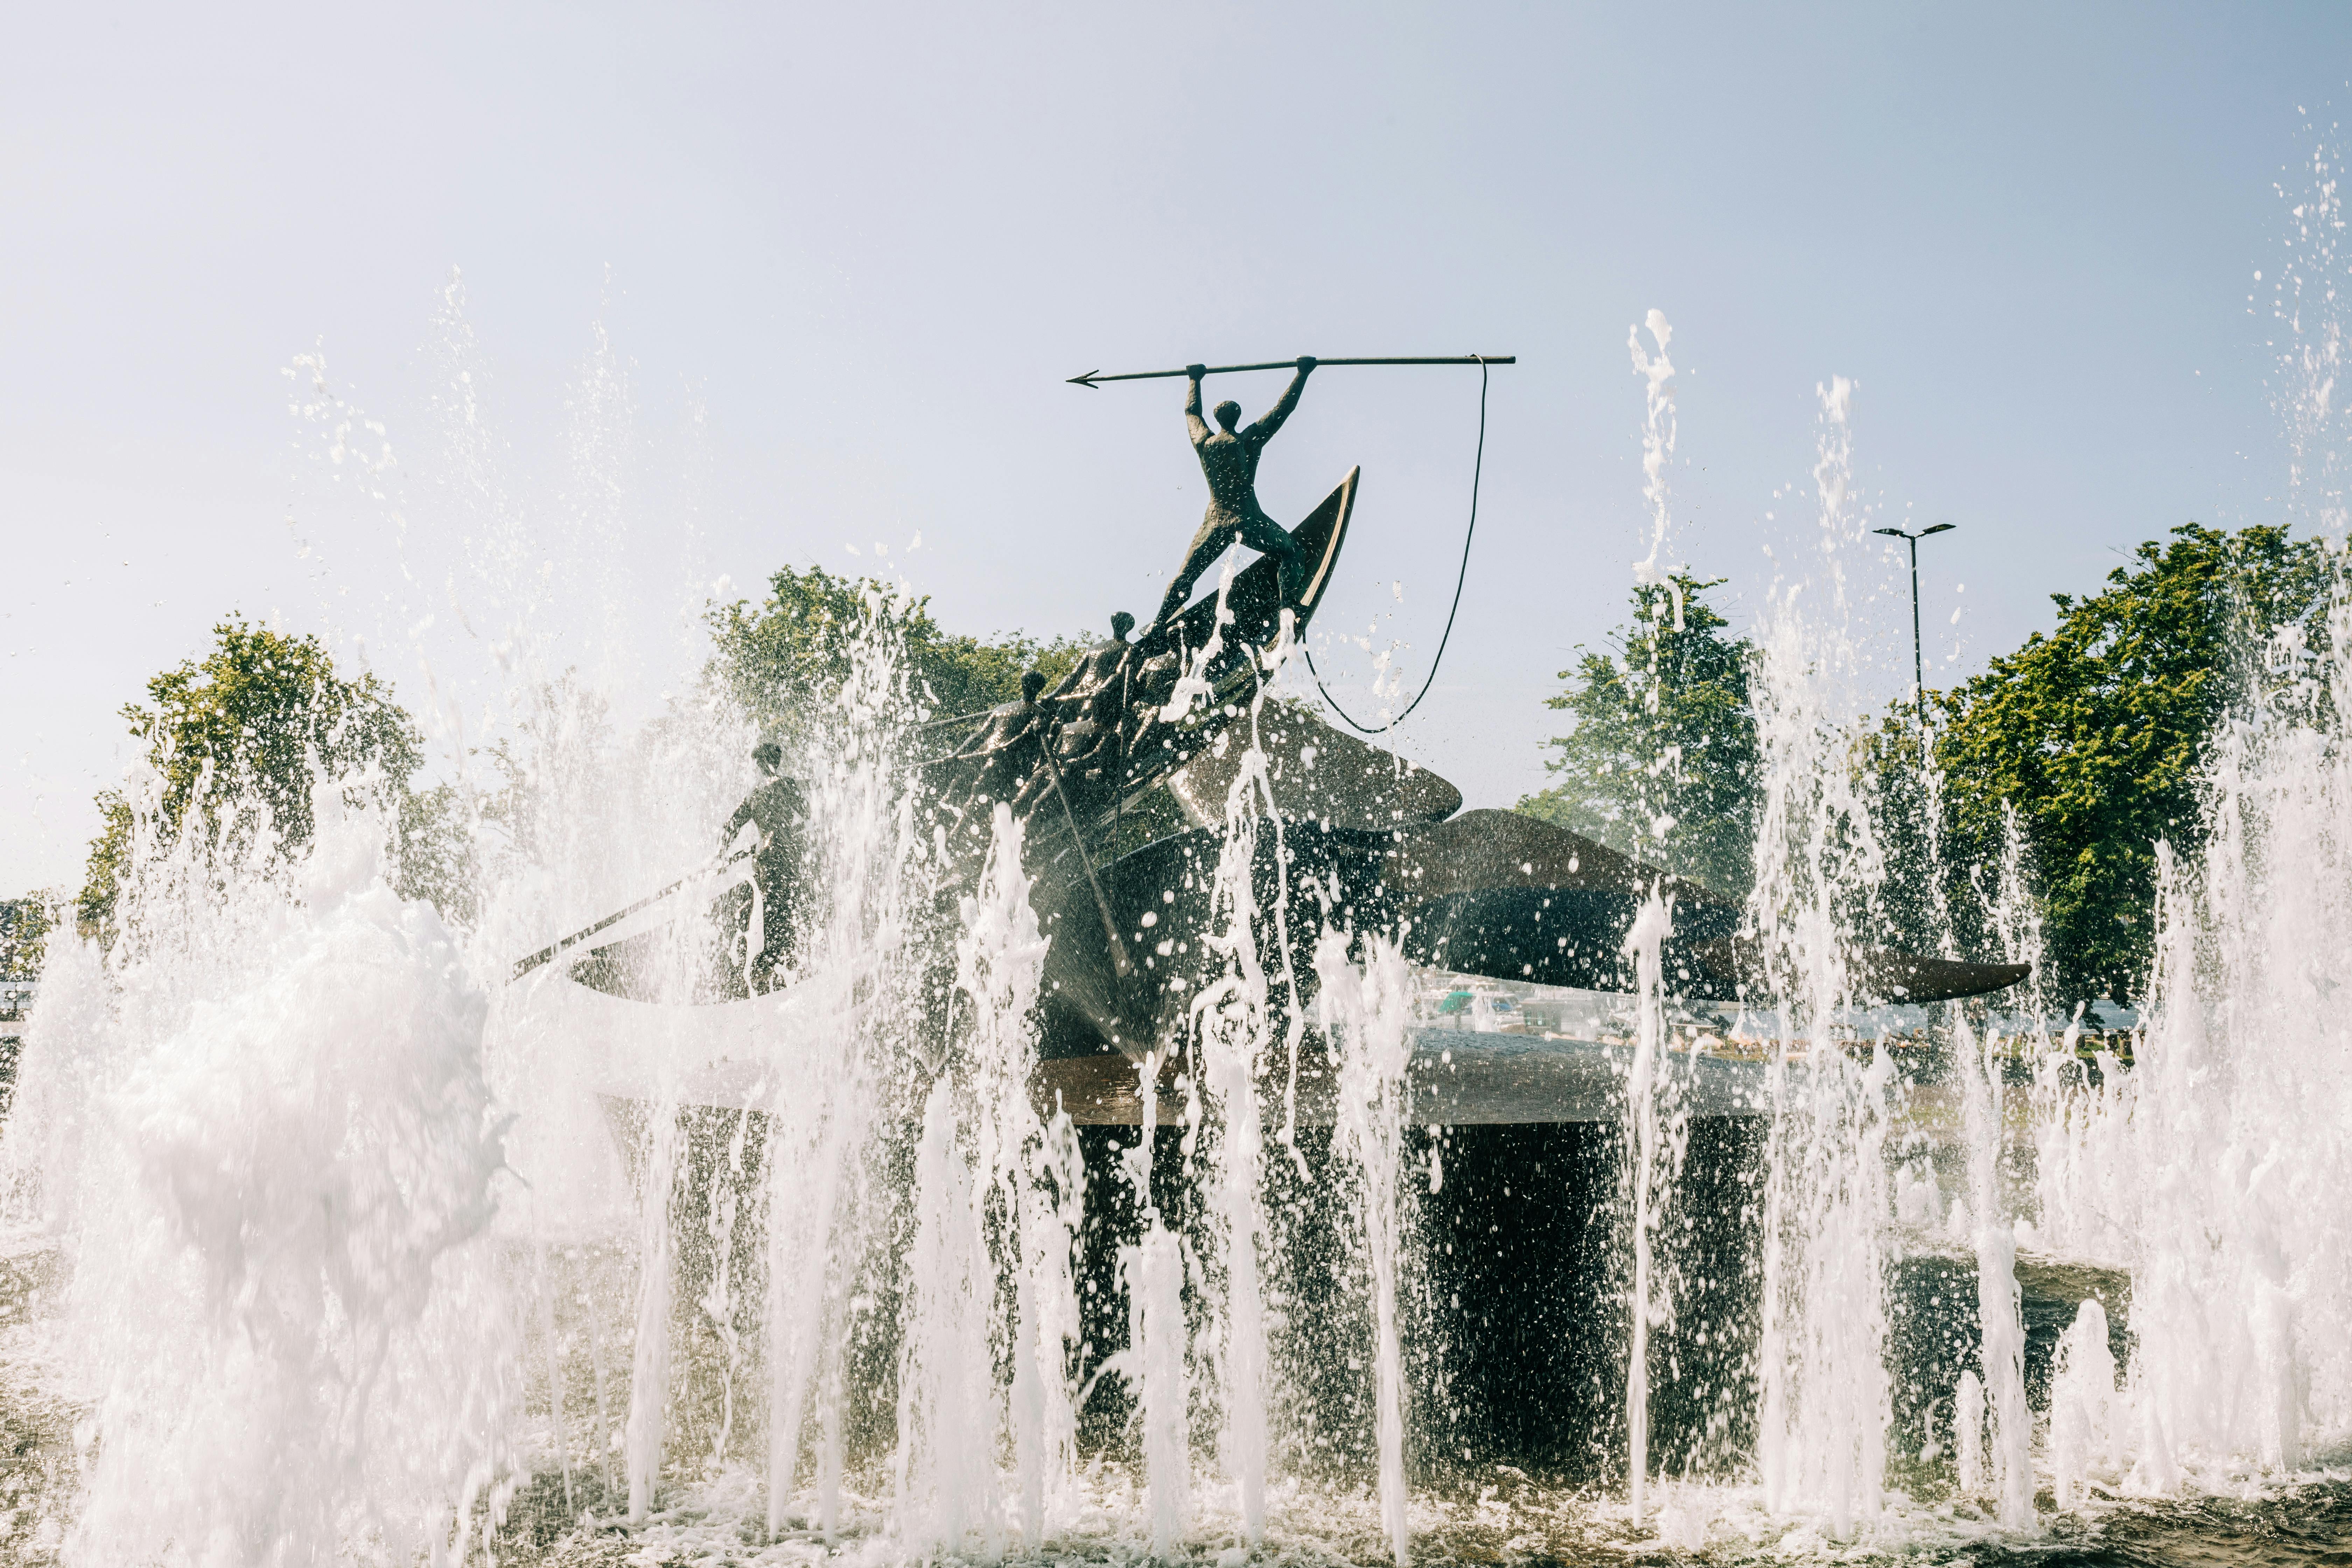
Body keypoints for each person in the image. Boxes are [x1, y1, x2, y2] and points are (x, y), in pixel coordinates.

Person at [1148, 356, 1316, 636]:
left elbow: (1191, 413)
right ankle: (1288, 606)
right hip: (1249, 520)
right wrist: (1302, 374)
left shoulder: (1204, 443)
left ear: (1217, 419)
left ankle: (1157, 624)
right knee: (1292, 552)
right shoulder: (1248, 441)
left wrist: (1195, 380)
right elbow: (1282, 410)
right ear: (1238, 417)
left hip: (1214, 522)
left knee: (1186, 576)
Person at [721, 739, 807, 983]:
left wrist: (720, 857)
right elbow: (810, 814)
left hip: (762, 856)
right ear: (776, 762)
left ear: (760, 764)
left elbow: (730, 827)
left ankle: (758, 947)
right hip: (783, 850)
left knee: (769, 905)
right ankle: (775, 959)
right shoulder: (788, 785)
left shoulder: (753, 793)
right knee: (786, 904)